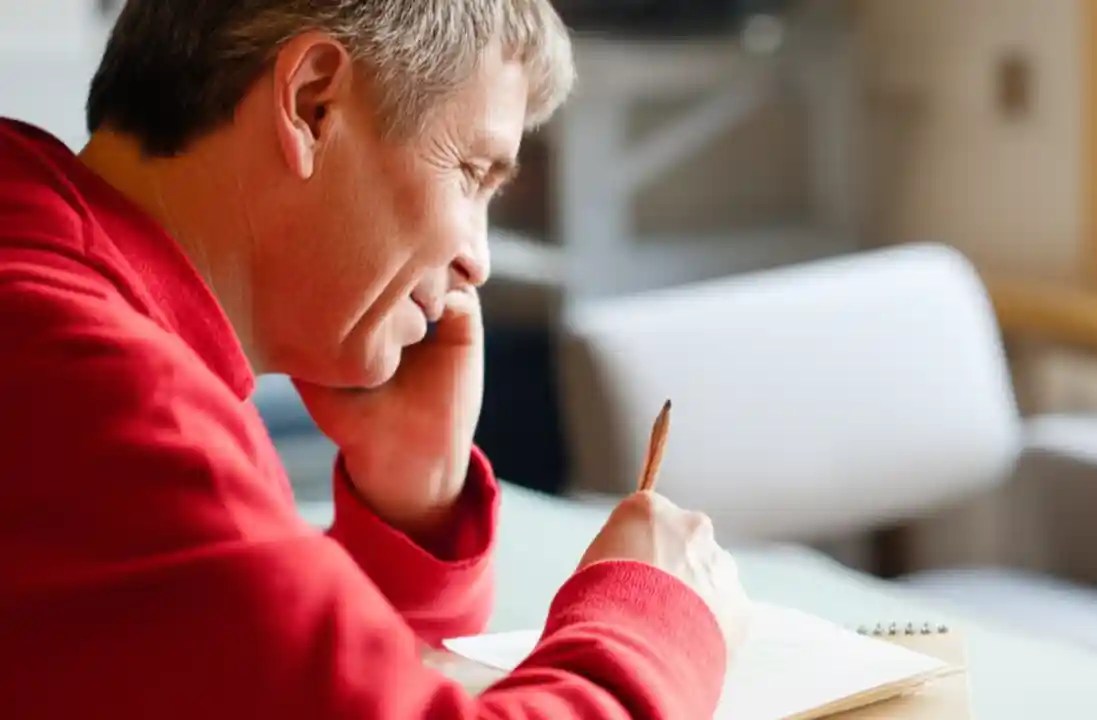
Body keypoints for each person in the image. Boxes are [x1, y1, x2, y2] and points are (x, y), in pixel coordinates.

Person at [0, 1, 751, 717]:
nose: (477, 262)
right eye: (471, 172)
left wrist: (408, 500)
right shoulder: (117, 399)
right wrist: (650, 622)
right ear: (312, 103)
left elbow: (242, 676)